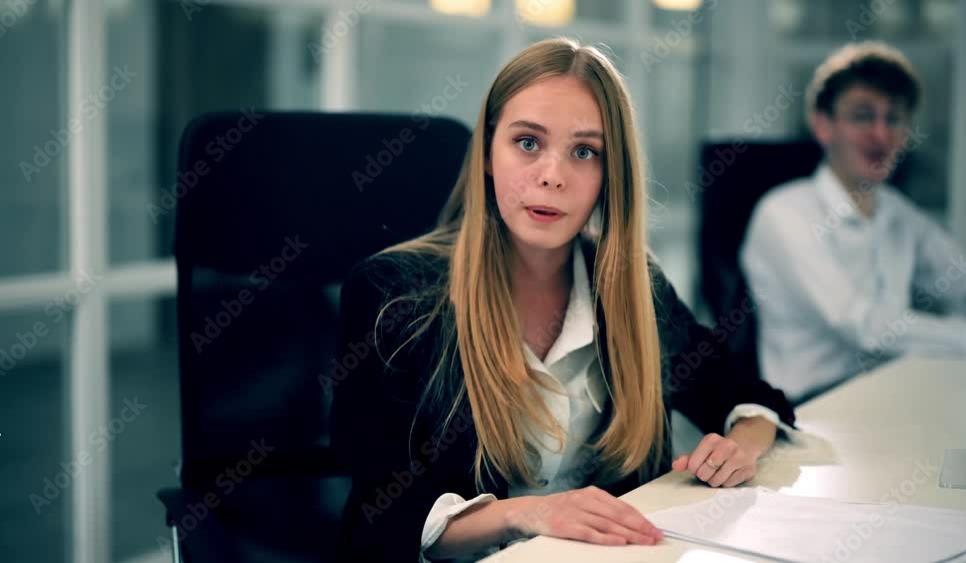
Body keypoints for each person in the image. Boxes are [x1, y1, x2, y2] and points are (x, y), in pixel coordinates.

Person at [331, 38, 795, 563]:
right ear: (487, 154)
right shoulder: (393, 295)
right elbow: (378, 519)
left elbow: (743, 393)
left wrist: (743, 442)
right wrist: (527, 513)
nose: (553, 175)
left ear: (610, 174)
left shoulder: (630, 284)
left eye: (584, 152)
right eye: (527, 142)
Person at [740, 41, 966, 404]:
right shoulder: (783, 213)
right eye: (863, 116)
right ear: (822, 125)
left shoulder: (897, 211)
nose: (881, 135)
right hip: (813, 407)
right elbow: (861, 325)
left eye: (893, 119)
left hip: (891, 391)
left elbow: (960, 280)